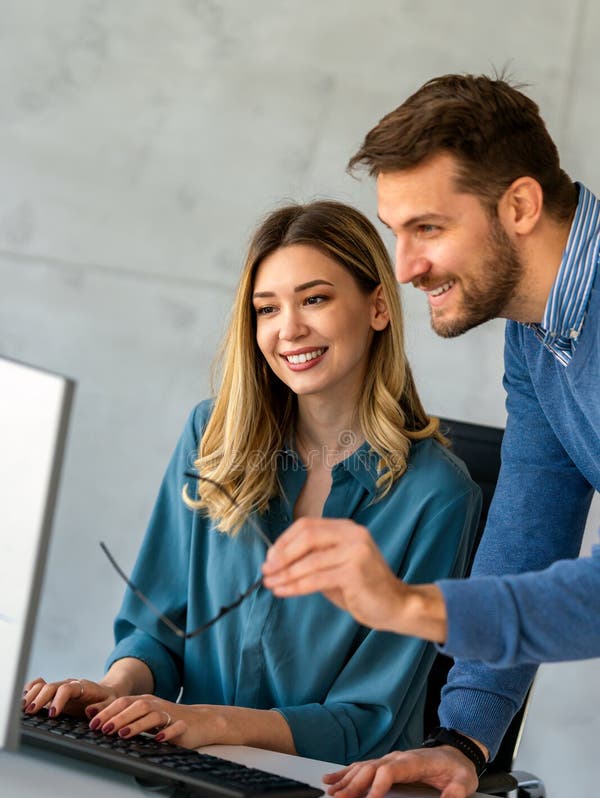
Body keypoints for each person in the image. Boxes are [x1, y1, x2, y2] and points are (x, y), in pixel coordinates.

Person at [22, 200, 480, 764]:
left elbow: (368, 721)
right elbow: (159, 628)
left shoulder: (437, 495)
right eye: (267, 309)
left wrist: (208, 721)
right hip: (186, 769)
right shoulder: (210, 437)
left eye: (315, 299)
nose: (289, 329)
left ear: (378, 306)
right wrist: (117, 690)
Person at [261, 73, 600, 798]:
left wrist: (411, 606)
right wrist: (462, 739)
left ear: (519, 205)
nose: (405, 266)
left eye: (428, 229)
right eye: (396, 232)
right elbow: (527, 531)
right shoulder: (537, 333)